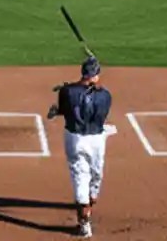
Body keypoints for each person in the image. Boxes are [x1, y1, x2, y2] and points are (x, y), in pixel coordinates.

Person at [47, 56, 113, 238]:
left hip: (74, 139)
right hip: (97, 140)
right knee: (96, 173)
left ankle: (84, 223)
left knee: (79, 174)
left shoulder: (66, 92)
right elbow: (96, 105)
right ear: (95, 75)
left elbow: (64, 108)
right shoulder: (106, 95)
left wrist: (70, 87)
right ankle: (91, 200)